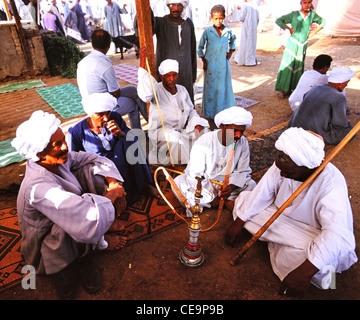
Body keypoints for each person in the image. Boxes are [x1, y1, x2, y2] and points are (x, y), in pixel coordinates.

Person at [226, 127, 357, 298]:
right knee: (246, 201)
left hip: (311, 233)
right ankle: (276, 242)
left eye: (287, 172)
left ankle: (279, 245)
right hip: (279, 216)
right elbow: (262, 193)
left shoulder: (331, 183)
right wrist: (239, 222)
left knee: (319, 265)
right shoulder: (284, 163)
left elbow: (338, 235)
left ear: (307, 167)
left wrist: (305, 271)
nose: (280, 173)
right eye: (280, 167)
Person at [11, 110, 128, 299]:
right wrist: (112, 196)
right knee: (76, 223)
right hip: (48, 239)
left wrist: (112, 181)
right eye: (57, 144)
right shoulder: (38, 186)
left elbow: (92, 158)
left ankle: (91, 244)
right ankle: (71, 264)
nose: (66, 147)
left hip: (74, 215)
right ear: (40, 153)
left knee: (92, 170)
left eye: (63, 139)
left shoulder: (56, 159)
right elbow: (82, 216)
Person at [68, 92, 159, 206]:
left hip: (119, 153)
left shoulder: (115, 117)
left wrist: (120, 133)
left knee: (131, 141)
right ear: (90, 114)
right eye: (100, 114)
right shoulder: (77, 132)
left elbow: (131, 137)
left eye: (108, 113)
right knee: (113, 163)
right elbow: (75, 160)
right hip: (99, 164)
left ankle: (145, 184)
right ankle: (124, 194)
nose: (106, 117)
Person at [173, 106, 256, 214]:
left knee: (251, 184)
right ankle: (223, 202)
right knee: (179, 182)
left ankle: (225, 200)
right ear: (223, 127)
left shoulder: (242, 142)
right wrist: (212, 197)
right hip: (206, 185)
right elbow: (196, 174)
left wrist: (230, 188)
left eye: (242, 131)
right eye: (235, 131)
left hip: (229, 185)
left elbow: (243, 170)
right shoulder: (204, 142)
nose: (238, 135)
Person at [137, 47, 209, 165]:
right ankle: (185, 167)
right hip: (161, 133)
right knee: (176, 138)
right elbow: (145, 95)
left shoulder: (182, 90)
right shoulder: (156, 91)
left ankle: (201, 162)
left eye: (174, 75)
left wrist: (197, 124)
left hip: (181, 130)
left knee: (204, 131)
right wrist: (142, 62)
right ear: (161, 76)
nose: (172, 79)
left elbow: (191, 111)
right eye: (168, 76)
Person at [77, 28, 148, 129]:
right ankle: (142, 130)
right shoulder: (105, 65)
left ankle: (148, 122)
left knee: (133, 90)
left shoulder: (82, 62)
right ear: (109, 45)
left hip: (88, 103)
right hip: (101, 108)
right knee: (134, 103)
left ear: (92, 44)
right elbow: (116, 93)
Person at [288, 67, 355, 145]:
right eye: (346, 82)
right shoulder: (339, 97)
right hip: (312, 134)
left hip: (294, 126)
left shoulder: (316, 87)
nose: (346, 85)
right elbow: (340, 123)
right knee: (350, 132)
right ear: (339, 83)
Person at [274, 0, 325, 98]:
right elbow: (279, 20)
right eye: (304, 2)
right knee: (288, 65)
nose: (307, 5)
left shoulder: (312, 15)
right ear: (301, 3)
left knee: (298, 66)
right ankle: (283, 89)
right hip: (293, 43)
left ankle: (295, 89)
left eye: (309, 2)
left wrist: (313, 33)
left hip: (303, 44)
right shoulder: (294, 14)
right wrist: (289, 29)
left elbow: (323, 22)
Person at [152, 0, 197, 102]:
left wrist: (193, 73)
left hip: (186, 71)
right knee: (167, 99)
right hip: (168, 73)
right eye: (173, 5)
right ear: (168, 5)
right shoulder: (160, 22)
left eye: (179, 5)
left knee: (186, 100)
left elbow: (193, 49)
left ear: (183, 6)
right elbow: (146, 25)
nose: (176, 8)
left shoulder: (188, 23)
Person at [197, 4, 236, 119]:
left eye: (220, 18)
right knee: (211, 88)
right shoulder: (208, 31)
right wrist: (204, 61)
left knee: (223, 87)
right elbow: (200, 47)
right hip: (210, 65)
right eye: (215, 18)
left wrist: (230, 52)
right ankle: (210, 113)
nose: (218, 21)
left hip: (223, 65)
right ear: (211, 18)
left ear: (224, 17)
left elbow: (233, 42)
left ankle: (222, 113)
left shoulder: (228, 31)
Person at [233, 0, 260, 67]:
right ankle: (249, 59)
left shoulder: (245, 5)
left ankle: (245, 60)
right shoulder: (255, 5)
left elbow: (241, 18)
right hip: (253, 27)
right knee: (251, 43)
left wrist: (239, 10)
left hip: (246, 26)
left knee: (244, 43)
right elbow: (258, 18)